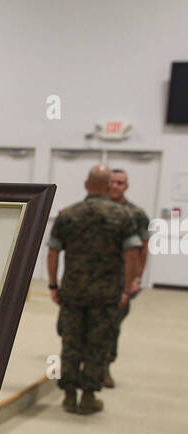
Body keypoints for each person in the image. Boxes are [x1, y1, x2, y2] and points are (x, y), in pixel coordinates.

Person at [46, 164, 141, 415]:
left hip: (73, 291)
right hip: (106, 293)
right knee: (97, 344)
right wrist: (125, 290)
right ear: (108, 186)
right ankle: (88, 396)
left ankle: (68, 395)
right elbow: (132, 254)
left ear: (87, 185)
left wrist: (53, 284)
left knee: (71, 342)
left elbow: (53, 251)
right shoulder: (123, 216)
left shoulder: (68, 215)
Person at [103, 168, 150, 387]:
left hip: (121, 280)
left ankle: (104, 368)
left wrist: (137, 278)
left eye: (120, 183)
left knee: (112, 325)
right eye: (112, 182)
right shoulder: (96, 209)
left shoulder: (136, 214)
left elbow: (142, 248)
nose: (115, 186)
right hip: (93, 279)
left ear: (126, 186)